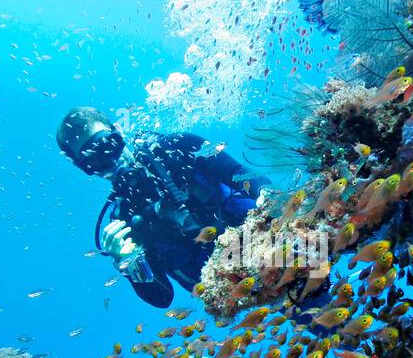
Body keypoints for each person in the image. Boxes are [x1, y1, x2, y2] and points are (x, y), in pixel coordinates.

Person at [57, 107, 269, 308]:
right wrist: (128, 263)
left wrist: (271, 202)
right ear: (83, 168)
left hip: (270, 241)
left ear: (118, 131)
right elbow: (163, 298)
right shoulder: (124, 223)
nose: (110, 160)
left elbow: (242, 174)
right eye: (93, 160)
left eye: (107, 145)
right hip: (232, 290)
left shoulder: (180, 147)